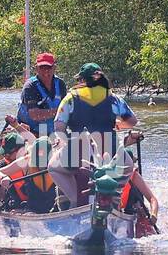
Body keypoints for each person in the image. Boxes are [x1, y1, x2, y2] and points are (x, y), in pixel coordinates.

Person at [48, 62, 138, 209]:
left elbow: (59, 128)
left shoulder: (70, 98)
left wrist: (63, 145)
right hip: (110, 148)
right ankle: (115, 197)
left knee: (53, 167)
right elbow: (132, 121)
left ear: (82, 80)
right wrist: (118, 125)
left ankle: (75, 201)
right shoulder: (113, 98)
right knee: (128, 166)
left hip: (79, 148)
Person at [18, 52, 66, 136]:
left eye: (49, 67)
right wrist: (59, 112)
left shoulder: (60, 84)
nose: (46, 71)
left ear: (54, 68)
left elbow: (67, 108)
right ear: (36, 68)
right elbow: (34, 115)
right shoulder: (30, 86)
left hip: (53, 132)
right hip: (31, 132)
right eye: (42, 67)